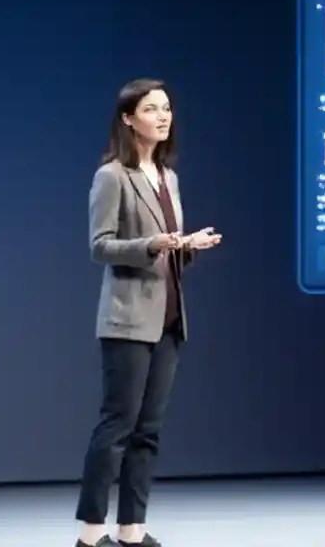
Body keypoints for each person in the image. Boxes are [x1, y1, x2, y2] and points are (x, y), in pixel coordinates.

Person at [73, 79, 223, 547]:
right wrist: (150, 245)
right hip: (128, 317)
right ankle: (91, 533)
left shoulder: (167, 177)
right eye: (152, 109)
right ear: (127, 118)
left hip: (170, 318)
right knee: (117, 425)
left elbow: (168, 246)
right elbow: (100, 247)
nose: (163, 117)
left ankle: (131, 531)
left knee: (149, 430)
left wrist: (187, 245)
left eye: (168, 109)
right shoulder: (112, 175)